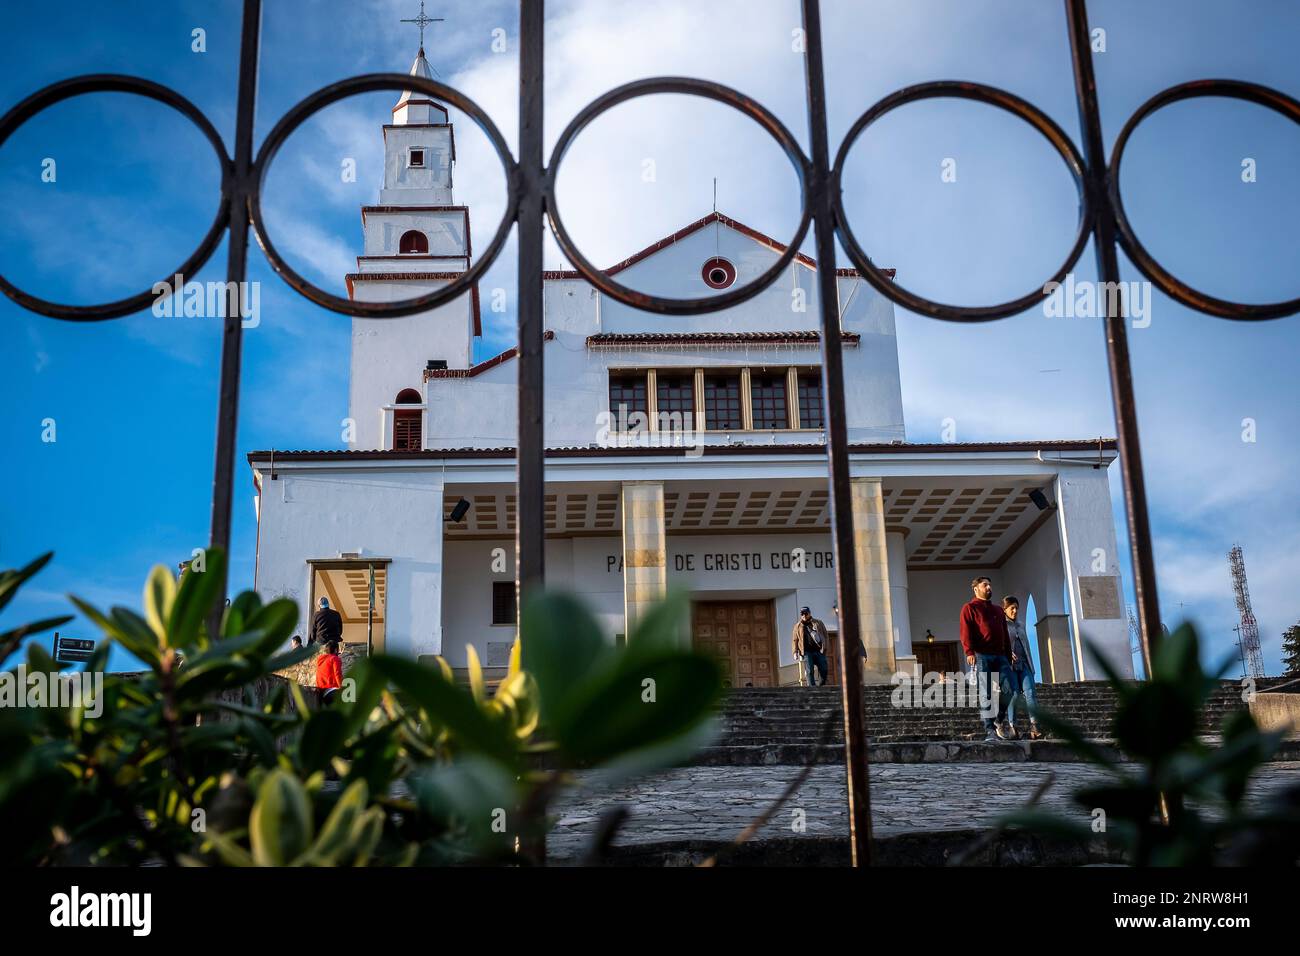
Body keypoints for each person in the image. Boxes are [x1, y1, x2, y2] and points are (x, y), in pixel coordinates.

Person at [959, 576, 1014, 742]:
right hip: (982, 655)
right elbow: (965, 631)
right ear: (976, 589)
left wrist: (1008, 655)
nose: (989, 587)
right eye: (985, 585)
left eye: (990, 584)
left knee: (1010, 688)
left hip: (1001, 656)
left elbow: (1005, 634)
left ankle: (998, 719)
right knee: (986, 693)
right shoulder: (969, 608)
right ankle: (989, 729)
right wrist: (969, 652)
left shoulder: (998, 610)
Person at [1002, 596, 1043, 740]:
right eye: (1011, 608)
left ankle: (1035, 725)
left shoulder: (1021, 625)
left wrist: (1031, 666)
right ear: (1004, 609)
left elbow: (1027, 647)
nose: (1014, 611)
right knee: (1013, 695)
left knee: (1030, 693)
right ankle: (1013, 727)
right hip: (1010, 667)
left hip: (1025, 664)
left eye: (1016, 608)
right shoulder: (1001, 625)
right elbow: (999, 645)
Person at [792, 606, 830, 687]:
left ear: (809, 613)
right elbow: (795, 640)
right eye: (802, 614)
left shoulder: (818, 623)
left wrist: (826, 647)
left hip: (819, 650)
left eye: (806, 613)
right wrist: (795, 651)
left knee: (824, 669)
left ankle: (821, 685)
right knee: (809, 671)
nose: (804, 616)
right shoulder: (797, 626)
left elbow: (825, 635)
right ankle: (812, 688)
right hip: (806, 652)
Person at [316, 640, 343, 707]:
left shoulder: (320, 660)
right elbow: (337, 674)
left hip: (323, 693)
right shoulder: (334, 658)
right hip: (332, 691)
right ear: (336, 650)